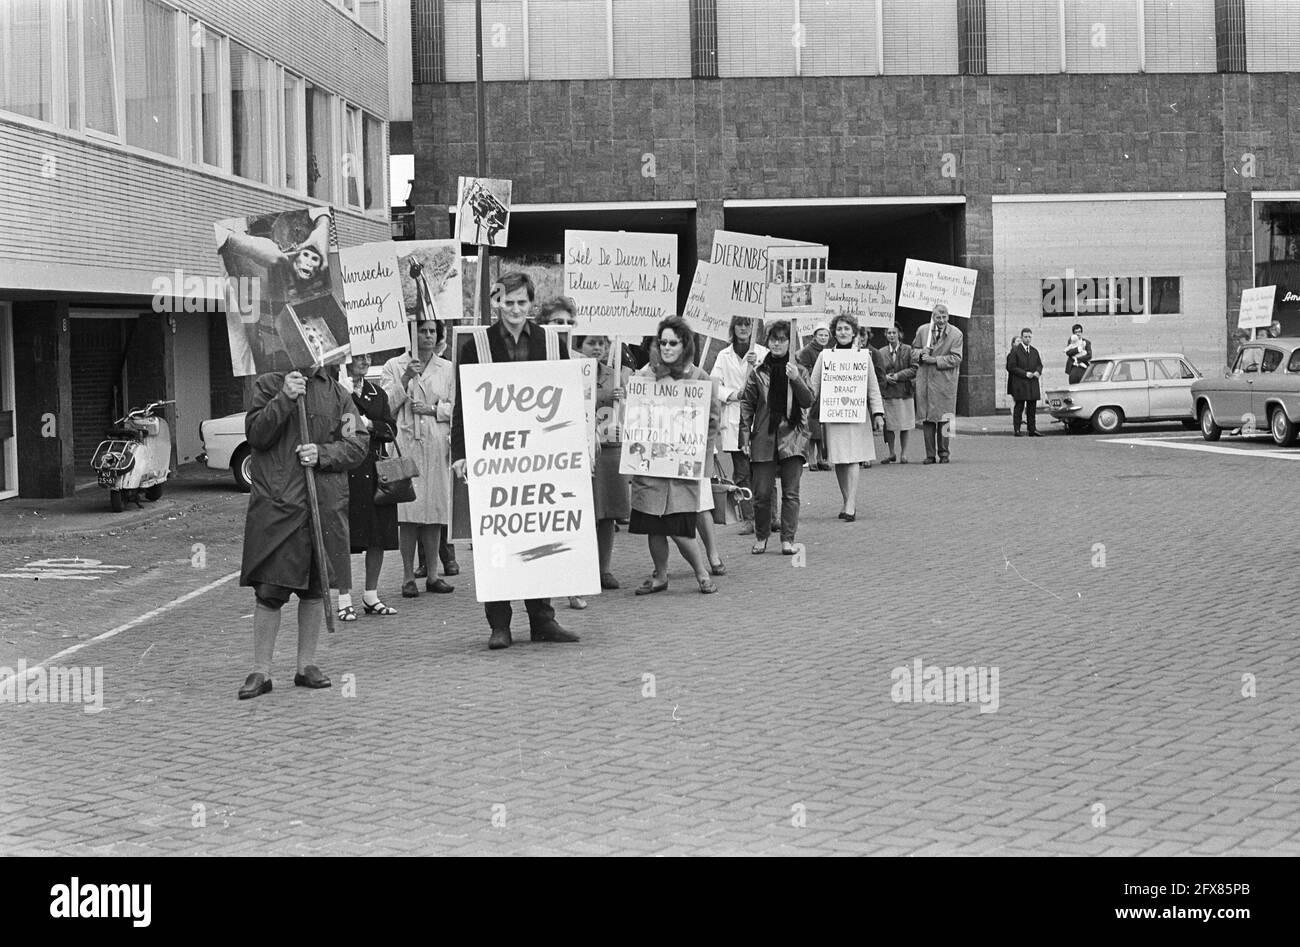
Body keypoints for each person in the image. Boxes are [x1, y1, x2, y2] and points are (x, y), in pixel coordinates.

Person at [451, 272, 579, 650]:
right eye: (508, 303)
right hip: (496, 458)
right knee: (500, 540)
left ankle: (543, 619)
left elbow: (568, 399)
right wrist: (460, 454)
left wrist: (576, 446)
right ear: (497, 303)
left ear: (531, 304)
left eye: (522, 303)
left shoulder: (552, 343)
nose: (515, 310)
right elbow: (463, 403)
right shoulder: (477, 345)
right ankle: (500, 624)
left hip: (540, 458)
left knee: (539, 537)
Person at [236, 365, 369, 700]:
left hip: (322, 505)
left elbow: (357, 443)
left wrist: (323, 453)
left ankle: (305, 665)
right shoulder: (268, 384)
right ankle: (261, 670)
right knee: (270, 589)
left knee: (315, 587)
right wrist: (284, 398)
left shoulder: (338, 394)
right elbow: (256, 434)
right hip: (279, 507)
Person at [628, 317, 722, 596]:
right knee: (653, 525)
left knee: (680, 526)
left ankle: (702, 573)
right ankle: (660, 575)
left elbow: (712, 420)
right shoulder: (645, 377)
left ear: (685, 345)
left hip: (681, 466)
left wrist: (699, 455)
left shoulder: (700, 379)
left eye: (674, 343)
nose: (667, 348)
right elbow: (634, 417)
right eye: (663, 342)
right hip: (651, 465)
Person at [381, 319, 456, 599]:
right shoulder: (393, 366)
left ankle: (434, 575)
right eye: (422, 331)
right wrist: (404, 380)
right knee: (408, 513)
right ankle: (407, 576)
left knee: (434, 511)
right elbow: (385, 407)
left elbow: (456, 406)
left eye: (432, 331)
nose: (427, 336)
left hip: (436, 444)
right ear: (412, 335)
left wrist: (433, 409)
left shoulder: (447, 368)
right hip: (407, 445)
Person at [739, 320, 811, 555]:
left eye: (782, 339)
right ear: (767, 342)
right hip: (764, 437)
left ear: (790, 343)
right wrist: (744, 437)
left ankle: (787, 539)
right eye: (773, 339)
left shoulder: (799, 370)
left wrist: (796, 379)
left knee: (791, 492)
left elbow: (808, 400)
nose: (777, 343)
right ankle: (761, 536)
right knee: (761, 493)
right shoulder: (758, 372)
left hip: (793, 437)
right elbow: (747, 404)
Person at [338, 352, 400, 620]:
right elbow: (337, 430)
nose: (364, 362)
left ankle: (370, 594)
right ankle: (343, 597)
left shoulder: (377, 392)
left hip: (375, 472)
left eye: (367, 357)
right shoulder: (338, 391)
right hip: (348, 471)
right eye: (358, 357)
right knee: (344, 535)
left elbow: (390, 429)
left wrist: (370, 424)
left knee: (378, 534)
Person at [537, 296, 586, 608]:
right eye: (557, 322)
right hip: (540, 453)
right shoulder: (534, 356)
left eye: (568, 322)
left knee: (569, 523)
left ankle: (572, 586)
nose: (563, 328)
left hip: (569, 452)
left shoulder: (580, 362)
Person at [811, 314, 883, 521]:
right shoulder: (825, 357)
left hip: (856, 415)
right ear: (834, 332)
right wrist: (804, 407)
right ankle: (846, 500)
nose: (843, 332)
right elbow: (813, 386)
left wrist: (878, 413)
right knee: (840, 459)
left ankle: (851, 503)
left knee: (853, 458)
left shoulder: (863, 356)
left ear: (854, 332)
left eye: (846, 329)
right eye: (839, 329)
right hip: (834, 415)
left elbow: (873, 387)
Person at [578, 333, 632, 591]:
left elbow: (627, 414)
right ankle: (584, 569)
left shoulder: (614, 374)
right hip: (580, 448)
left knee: (607, 512)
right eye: (592, 342)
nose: (597, 348)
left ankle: (604, 569)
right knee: (585, 513)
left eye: (602, 343)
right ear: (580, 346)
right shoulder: (571, 371)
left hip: (609, 449)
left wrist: (625, 397)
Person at [710, 317, 767, 535]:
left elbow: (773, 379)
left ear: (753, 328)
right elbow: (715, 384)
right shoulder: (724, 355)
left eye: (747, 325)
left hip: (759, 419)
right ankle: (749, 517)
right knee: (742, 473)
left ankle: (770, 517)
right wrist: (734, 394)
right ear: (733, 328)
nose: (744, 329)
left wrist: (759, 365)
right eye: (739, 325)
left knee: (763, 471)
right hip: (734, 419)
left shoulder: (762, 353)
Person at [913, 304, 964, 465]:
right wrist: (921, 353)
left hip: (945, 382)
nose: (941, 320)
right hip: (926, 381)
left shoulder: (956, 334)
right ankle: (929, 454)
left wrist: (934, 360)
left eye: (944, 317)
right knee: (928, 419)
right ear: (932, 317)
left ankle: (944, 453)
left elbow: (956, 358)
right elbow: (913, 351)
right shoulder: (923, 331)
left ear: (948, 317)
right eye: (938, 317)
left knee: (945, 418)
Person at [871, 324, 917, 464]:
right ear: (885, 335)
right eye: (889, 333)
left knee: (905, 424)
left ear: (899, 334)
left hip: (904, 392)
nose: (891, 335)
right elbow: (876, 372)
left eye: (894, 333)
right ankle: (891, 452)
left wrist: (897, 376)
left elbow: (914, 369)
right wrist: (885, 377)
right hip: (888, 393)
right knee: (889, 425)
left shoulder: (908, 350)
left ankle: (904, 453)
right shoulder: (881, 352)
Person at [796, 322, 831, 470]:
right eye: (820, 335)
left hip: (827, 392)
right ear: (814, 336)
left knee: (823, 427)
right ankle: (811, 458)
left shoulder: (829, 351)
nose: (823, 338)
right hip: (812, 392)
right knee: (812, 426)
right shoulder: (807, 351)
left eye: (826, 335)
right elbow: (802, 371)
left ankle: (820, 457)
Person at [1006, 328, 1045, 437]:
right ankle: (1017, 429)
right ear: (1022, 337)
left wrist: (1038, 371)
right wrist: (1024, 373)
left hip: (1032, 383)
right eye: (1025, 337)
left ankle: (1032, 429)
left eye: (1029, 337)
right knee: (1019, 407)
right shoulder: (1015, 351)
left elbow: (1039, 364)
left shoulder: (1034, 351)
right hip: (1020, 383)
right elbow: (1011, 367)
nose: (1028, 339)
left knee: (1032, 408)